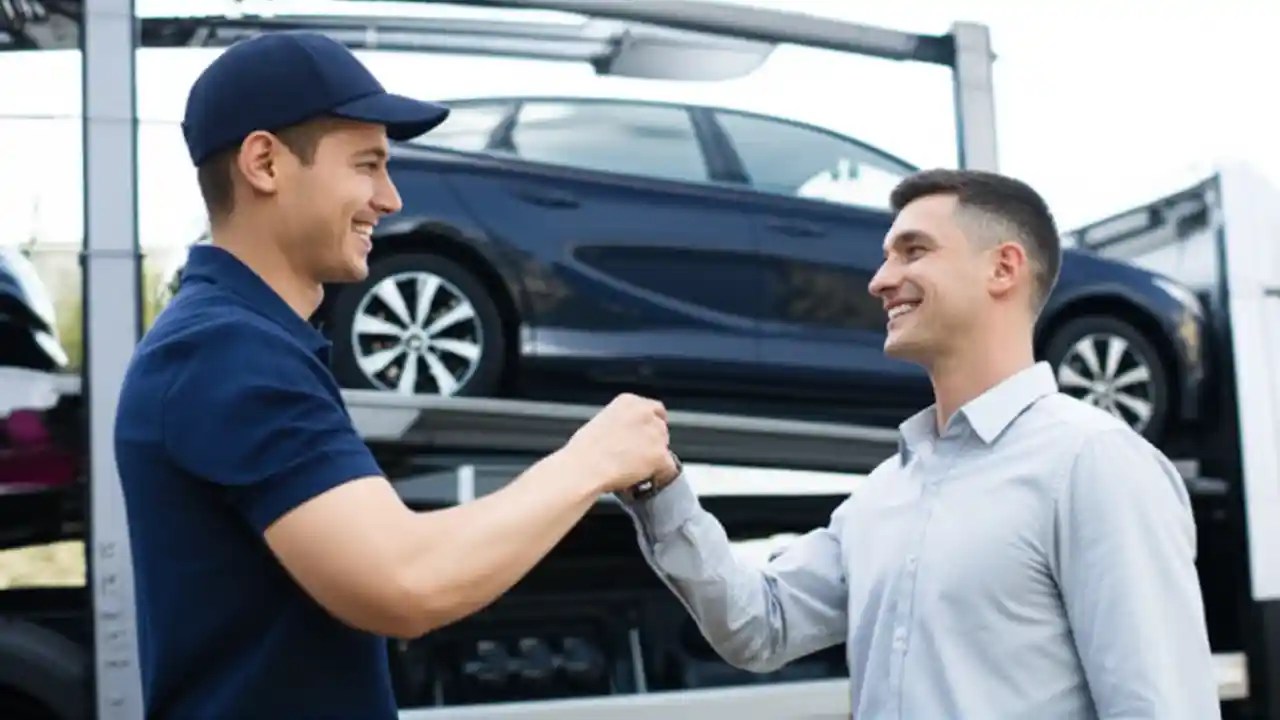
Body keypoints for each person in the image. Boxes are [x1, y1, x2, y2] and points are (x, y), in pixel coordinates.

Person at [113, 31, 677, 719]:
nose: (390, 197)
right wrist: (592, 460)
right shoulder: (226, 351)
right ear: (265, 162)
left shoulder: (242, 341)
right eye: (367, 164)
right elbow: (406, 581)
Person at [620, 169, 1221, 718]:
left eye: (913, 251)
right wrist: (659, 487)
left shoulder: (1094, 463)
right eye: (886, 258)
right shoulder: (887, 491)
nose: (881, 281)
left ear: (1003, 268)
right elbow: (763, 625)